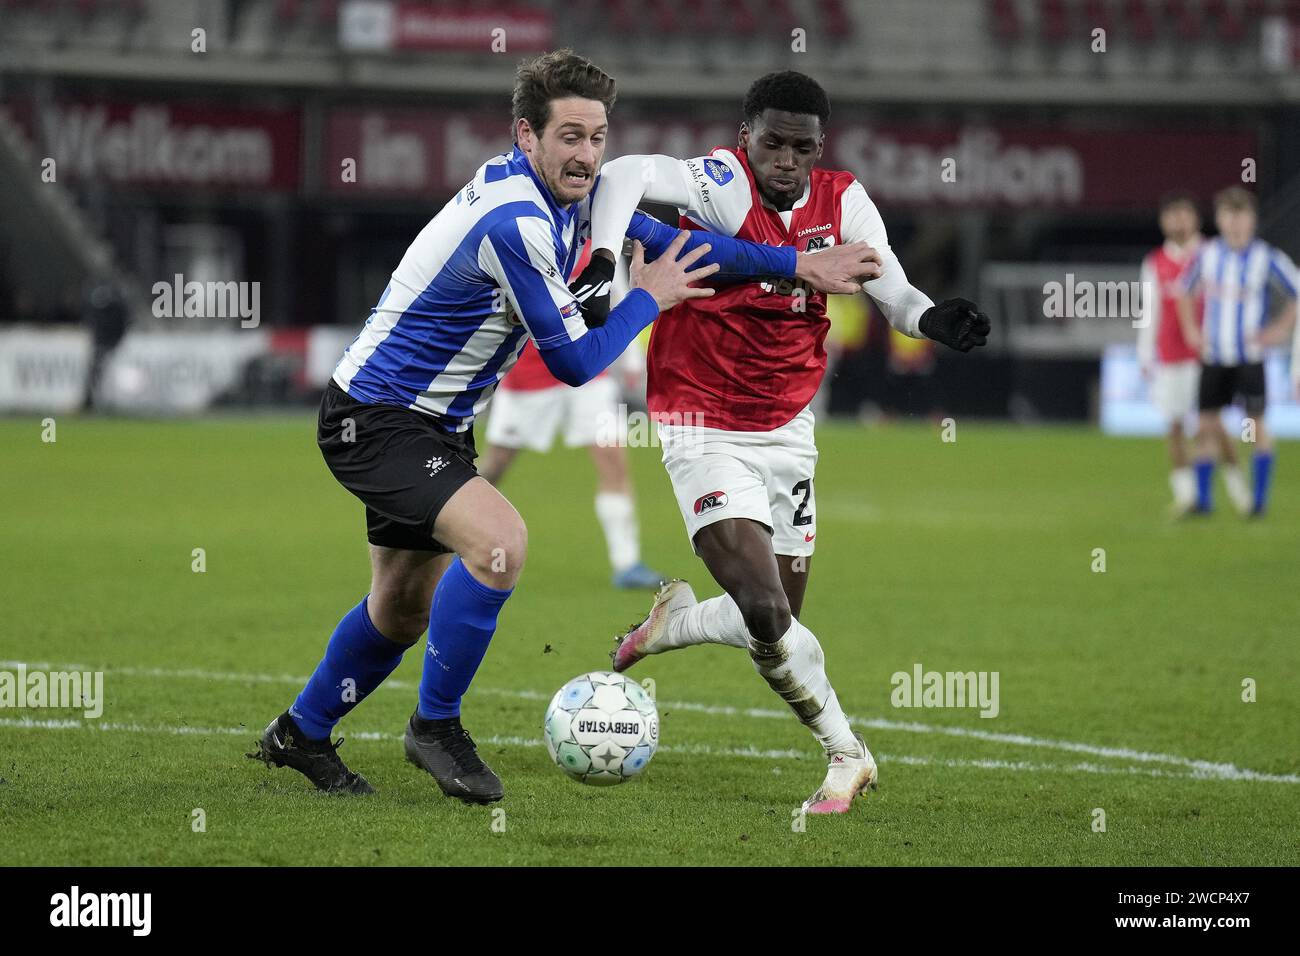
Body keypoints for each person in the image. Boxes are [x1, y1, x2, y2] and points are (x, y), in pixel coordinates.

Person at [247, 51, 886, 803]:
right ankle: (435, 727)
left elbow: (692, 247)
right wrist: (649, 299)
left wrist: (793, 266)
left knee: (399, 606)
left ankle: (301, 733)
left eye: (598, 137)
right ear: (527, 136)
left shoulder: (570, 203)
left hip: (435, 422)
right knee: (499, 545)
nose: (588, 156)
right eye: (571, 137)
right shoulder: (516, 220)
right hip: (376, 417)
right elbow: (577, 362)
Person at [586, 71, 990, 814]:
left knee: (770, 622)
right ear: (746, 138)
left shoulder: (845, 200)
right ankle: (848, 755)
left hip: (787, 429)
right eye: (771, 142)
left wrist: (932, 320)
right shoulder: (720, 186)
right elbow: (624, 173)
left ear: (819, 149)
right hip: (699, 419)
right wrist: (607, 257)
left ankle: (675, 622)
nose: (785, 160)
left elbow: (890, 288)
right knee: (769, 613)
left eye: (800, 148)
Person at [1176, 186, 1298, 517]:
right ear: (1219, 220)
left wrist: (1279, 330)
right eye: (1229, 217)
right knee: (1205, 425)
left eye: (1241, 217)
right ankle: (1204, 501)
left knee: (1255, 425)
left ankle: (1259, 502)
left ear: (1252, 220)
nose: (1235, 224)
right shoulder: (1207, 255)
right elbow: (1183, 291)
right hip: (1215, 356)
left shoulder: (1266, 258)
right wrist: (1190, 329)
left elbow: (1296, 292)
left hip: (1250, 358)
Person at [1136, 194, 1202, 515]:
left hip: (1208, 356)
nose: (1178, 221)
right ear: (1163, 221)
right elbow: (1150, 312)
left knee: (1209, 426)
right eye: (1172, 215)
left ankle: (1226, 490)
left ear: (1195, 219)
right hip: (1171, 356)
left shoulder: (1211, 256)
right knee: (1174, 427)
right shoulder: (1155, 262)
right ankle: (1187, 495)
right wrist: (1144, 353)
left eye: (1183, 214)